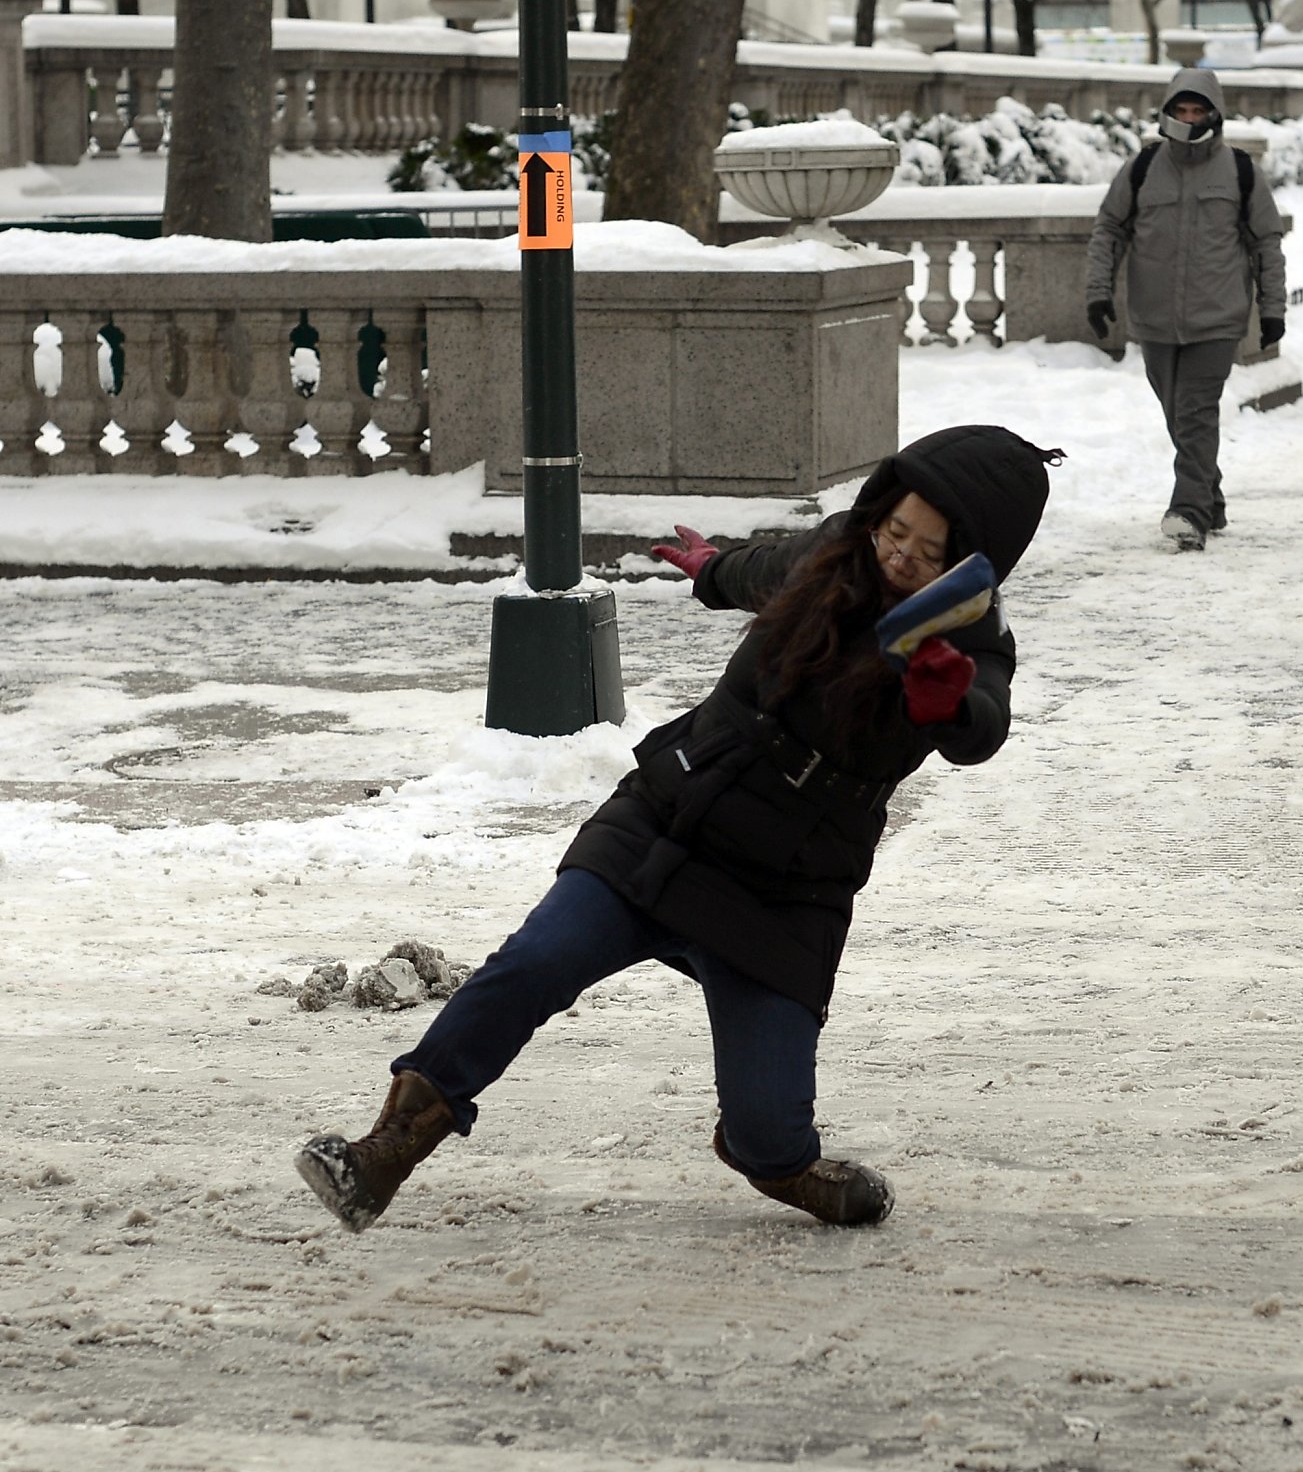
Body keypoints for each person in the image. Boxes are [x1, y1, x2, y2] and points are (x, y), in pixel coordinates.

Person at [295, 426, 1064, 1232]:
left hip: (786, 889)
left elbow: (983, 726)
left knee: (769, 1128)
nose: (897, 557)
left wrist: (946, 699)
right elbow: (763, 570)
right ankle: (384, 1152)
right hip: (673, 818)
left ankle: (775, 1158)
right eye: (893, 531)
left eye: (926, 552)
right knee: (534, 962)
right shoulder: (836, 553)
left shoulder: (970, 639)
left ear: (973, 561)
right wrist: (713, 569)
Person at [1086, 68, 1287, 553]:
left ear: (1214, 114)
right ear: (1168, 112)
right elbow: (1109, 229)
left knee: (1195, 414)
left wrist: (1272, 307)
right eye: (1182, 110)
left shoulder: (1239, 170)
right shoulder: (1143, 167)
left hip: (1217, 318)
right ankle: (1210, 496)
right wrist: (1098, 292)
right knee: (1178, 415)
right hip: (1154, 319)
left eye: (1199, 111)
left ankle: (1189, 512)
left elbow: (1267, 242)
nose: (1190, 118)